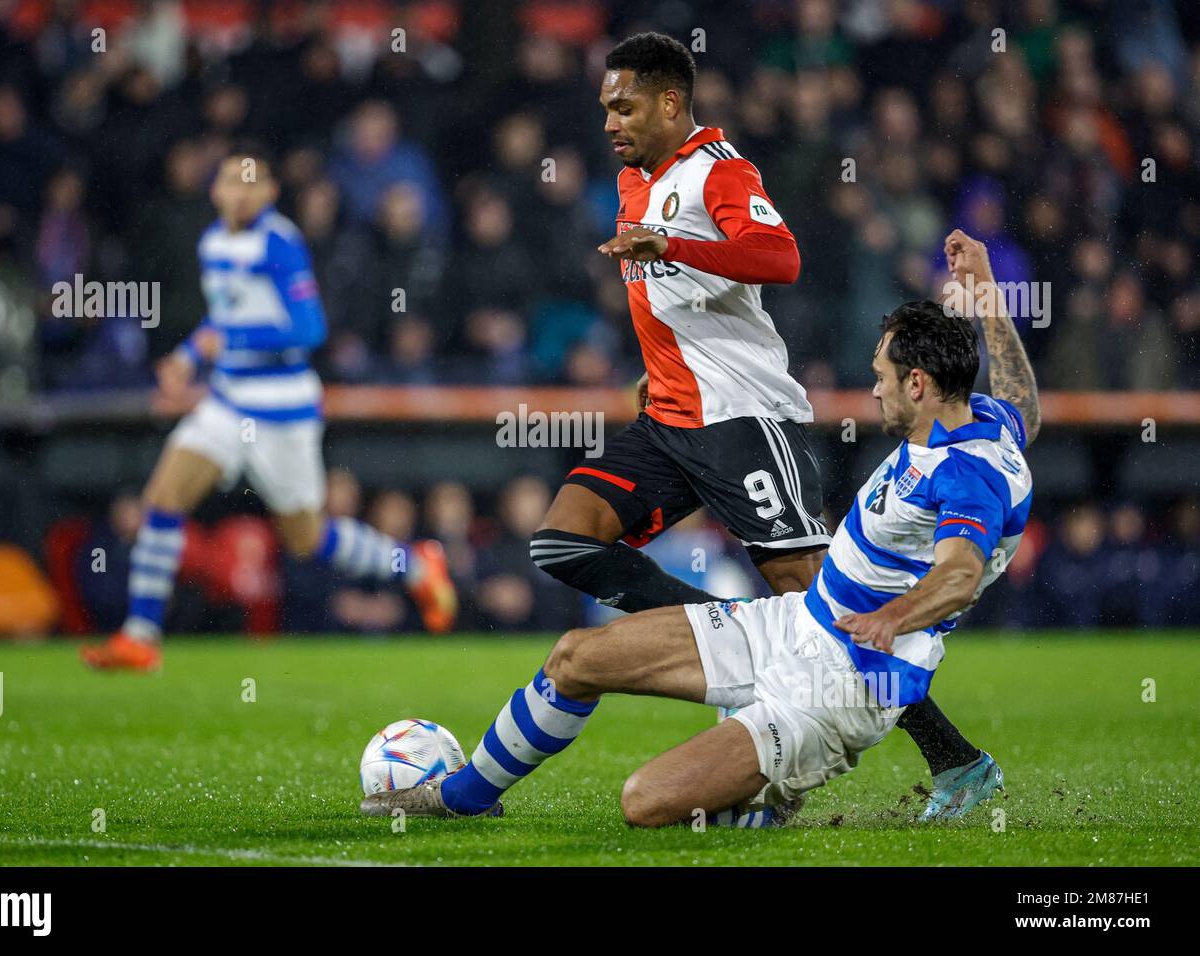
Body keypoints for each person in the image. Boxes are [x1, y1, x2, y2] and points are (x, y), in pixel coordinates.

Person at [363, 229, 1037, 825]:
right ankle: (460, 798)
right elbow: (1024, 405)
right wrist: (989, 299)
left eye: (883, 376)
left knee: (644, 802)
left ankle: (767, 798)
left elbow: (960, 571)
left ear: (918, 384)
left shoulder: (963, 476)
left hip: (844, 683)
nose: (874, 389)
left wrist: (898, 617)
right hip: (794, 627)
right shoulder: (982, 420)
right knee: (576, 657)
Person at [529, 32, 998, 816]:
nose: (610, 120)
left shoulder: (720, 169)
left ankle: (956, 760)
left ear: (671, 103)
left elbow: (779, 257)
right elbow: (669, 299)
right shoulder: (632, 182)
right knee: (563, 541)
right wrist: (659, 363)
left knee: (817, 597)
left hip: (743, 417)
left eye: (625, 104)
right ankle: (735, 640)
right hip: (673, 416)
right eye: (606, 107)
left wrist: (671, 242)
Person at [80, 145, 455, 672]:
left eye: (250, 182)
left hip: (281, 409)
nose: (239, 191)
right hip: (228, 399)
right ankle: (140, 638)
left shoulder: (280, 242)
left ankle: (414, 564)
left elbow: (309, 328)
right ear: (217, 190)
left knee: (308, 539)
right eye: (231, 180)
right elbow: (222, 318)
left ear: (270, 193)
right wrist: (187, 357)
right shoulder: (212, 242)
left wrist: (234, 335)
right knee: (163, 498)